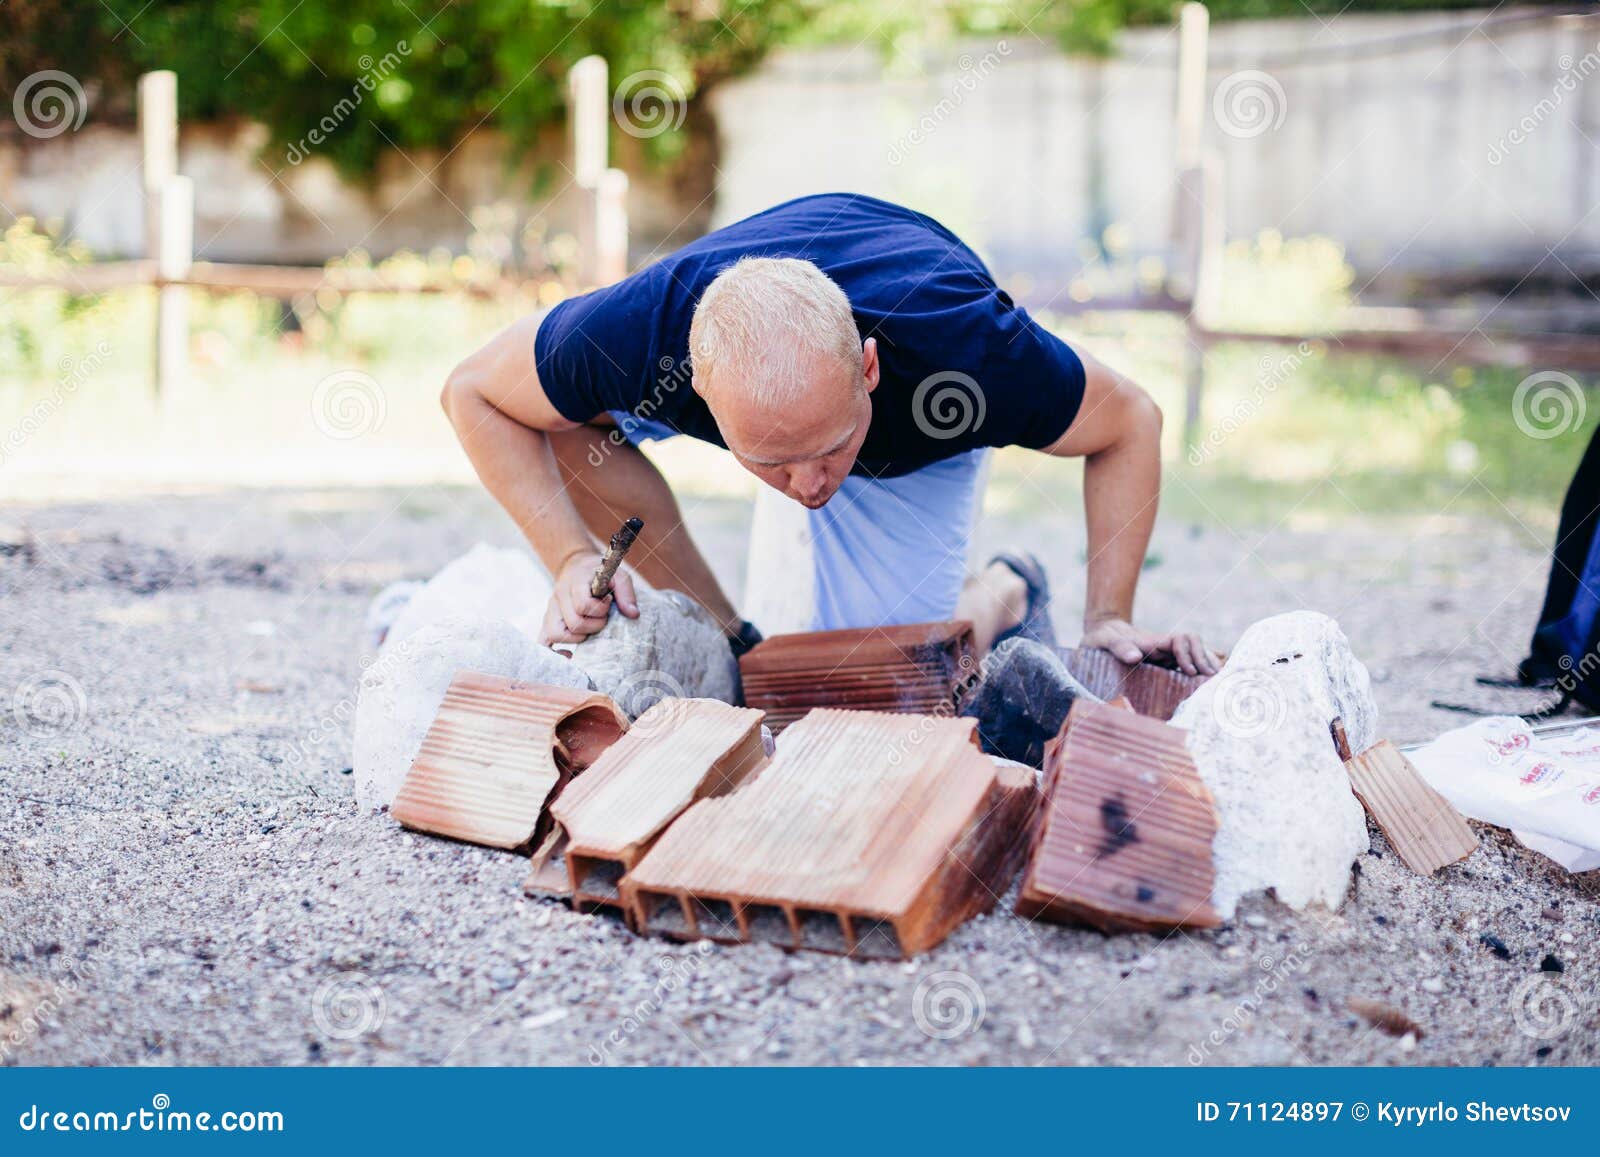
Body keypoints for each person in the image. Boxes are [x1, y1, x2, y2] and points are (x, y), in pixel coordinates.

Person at [442, 193, 1218, 749]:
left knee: (890, 700)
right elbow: (472, 391)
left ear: (869, 367)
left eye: (828, 450)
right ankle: (730, 635)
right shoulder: (637, 333)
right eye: (775, 465)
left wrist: (1108, 615)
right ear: (702, 396)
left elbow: (1130, 422)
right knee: (578, 429)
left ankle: (1007, 585)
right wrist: (571, 558)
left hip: (919, 422)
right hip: (750, 356)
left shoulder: (976, 353)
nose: (812, 487)